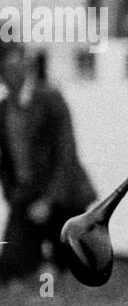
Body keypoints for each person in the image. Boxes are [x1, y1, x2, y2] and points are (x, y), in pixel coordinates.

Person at [0, 42, 96, 283]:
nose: (9, 71)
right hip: (25, 202)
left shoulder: (51, 100)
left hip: (64, 200)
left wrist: (48, 201)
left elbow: (67, 157)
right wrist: (14, 198)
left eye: (14, 62)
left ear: (25, 63)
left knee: (74, 266)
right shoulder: (3, 109)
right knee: (12, 269)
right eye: (4, 65)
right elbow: (5, 165)